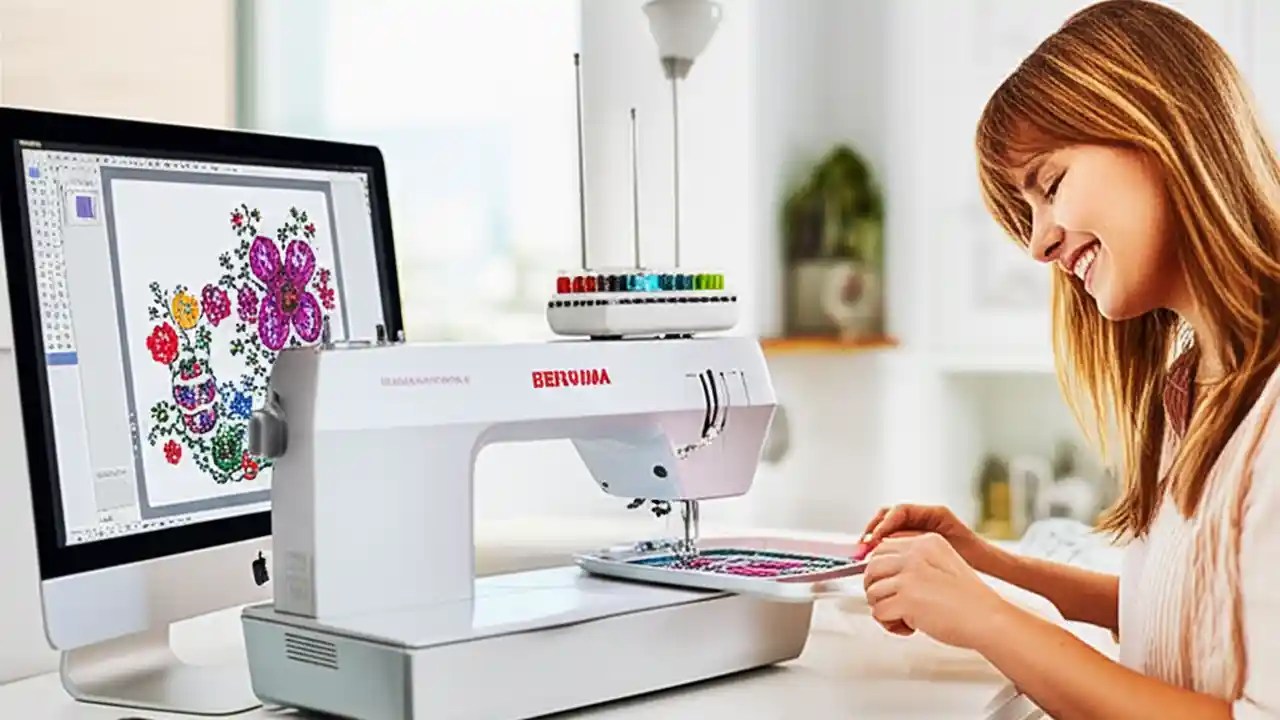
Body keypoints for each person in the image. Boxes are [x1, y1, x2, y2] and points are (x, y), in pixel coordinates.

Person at [857, 1, 1280, 718]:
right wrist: (988, 569)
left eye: (1050, 186)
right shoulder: (1198, 384)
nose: (1037, 245)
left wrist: (987, 620)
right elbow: (1195, 617)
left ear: (1162, 128)